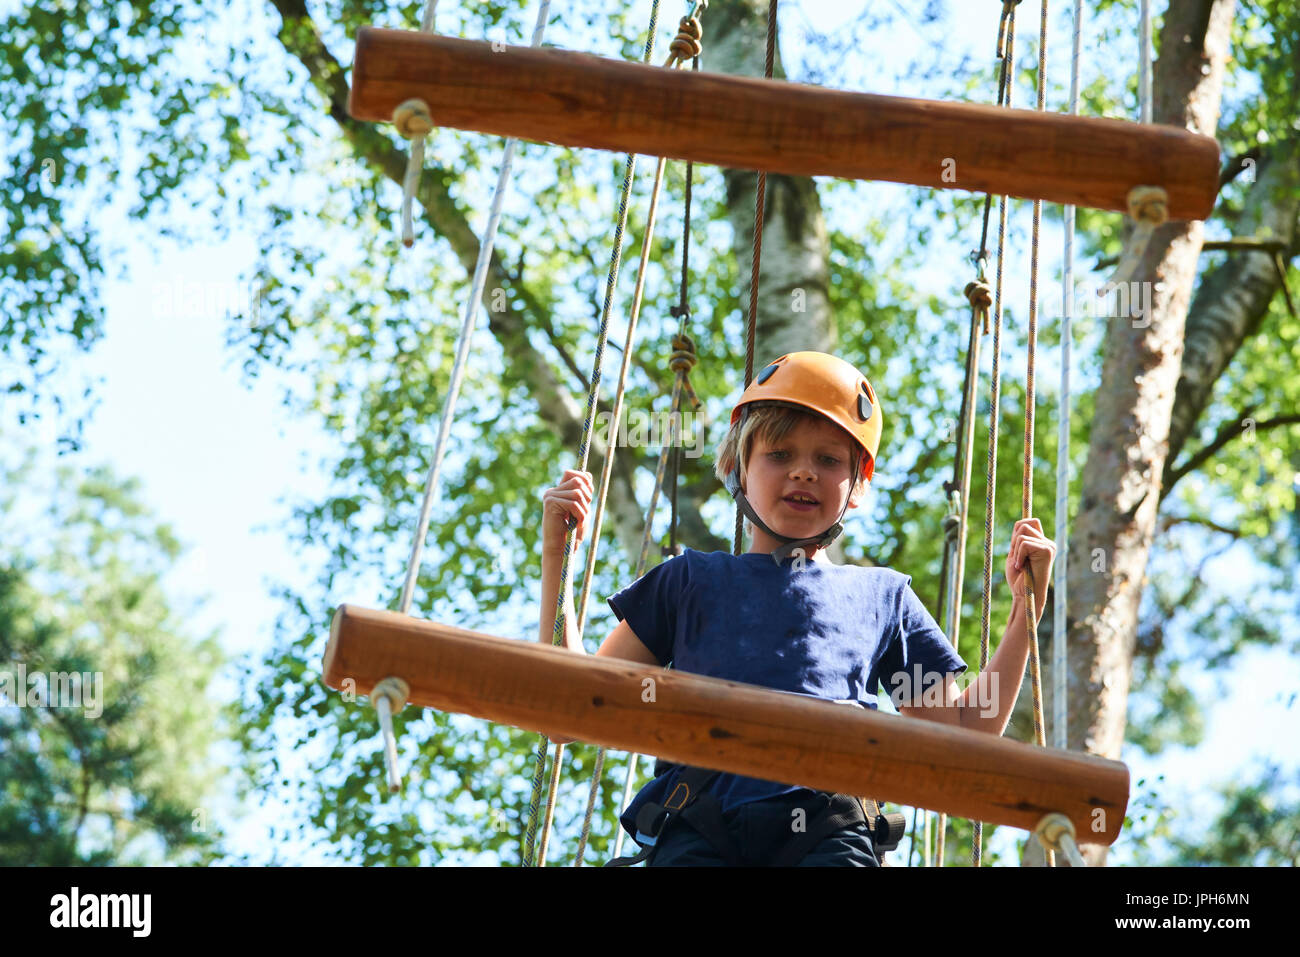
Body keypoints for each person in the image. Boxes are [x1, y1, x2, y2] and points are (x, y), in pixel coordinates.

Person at [538, 351, 1056, 866]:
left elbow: (963, 733)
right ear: (739, 468)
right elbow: (572, 709)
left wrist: (1021, 614)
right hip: (698, 823)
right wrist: (558, 561)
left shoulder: (882, 599)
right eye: (780, 455)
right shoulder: (687, 581)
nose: (804, 472)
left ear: (856, 487)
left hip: (829, 828)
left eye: (828, 460)